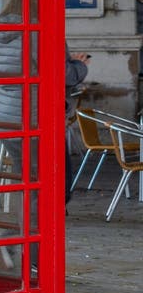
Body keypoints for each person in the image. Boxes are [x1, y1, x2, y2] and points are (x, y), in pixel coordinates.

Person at [65, 44, 89, 202]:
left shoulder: (4, 37)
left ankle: (28, 222)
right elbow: (67, 75)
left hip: (8, 113)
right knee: (59, 174)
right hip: (41, 113)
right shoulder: (43, 36)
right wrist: (79, 65)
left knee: (25, 172)